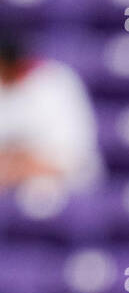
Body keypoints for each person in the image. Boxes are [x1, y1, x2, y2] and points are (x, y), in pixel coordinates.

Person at [0, 34, 102, 194]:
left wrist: (19, 165)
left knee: (41, 190)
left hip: (64, 188)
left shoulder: (55, 82)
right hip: (9, 187)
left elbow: (74, 157)